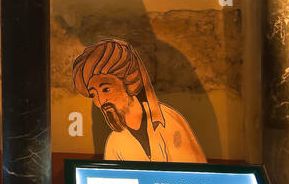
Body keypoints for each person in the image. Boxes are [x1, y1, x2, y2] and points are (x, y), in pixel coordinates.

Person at [70, 38, 206, 163]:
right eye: (93, 95)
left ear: (129, 83)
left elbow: (191, 178)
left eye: (106, 89)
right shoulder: (115, 142)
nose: (100, 101)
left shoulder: (167, 122)